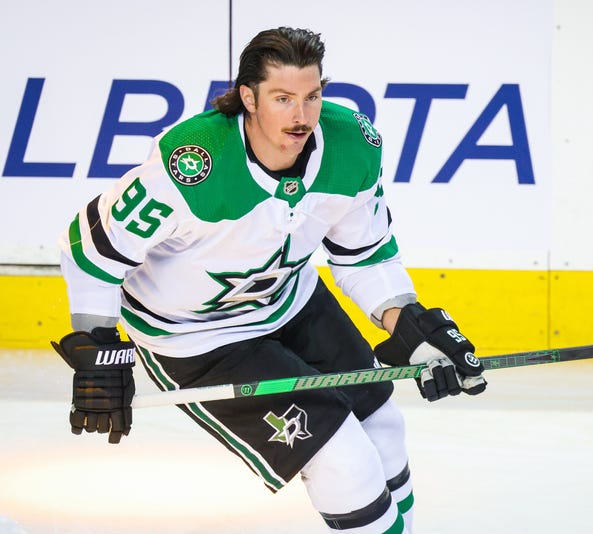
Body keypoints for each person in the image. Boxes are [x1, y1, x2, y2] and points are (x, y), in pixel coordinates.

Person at [51, 27, 486, 534]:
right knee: (344, 462)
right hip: (198, 338)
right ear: (249, 98)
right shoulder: (192, 166)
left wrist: (408, 324)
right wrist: (98, 345)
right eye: (282, 99)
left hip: (292, 301)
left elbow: (364, 255)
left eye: (311, 96)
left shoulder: (352, 147)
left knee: (383, 429)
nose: (301, 116)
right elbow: (91, 252)